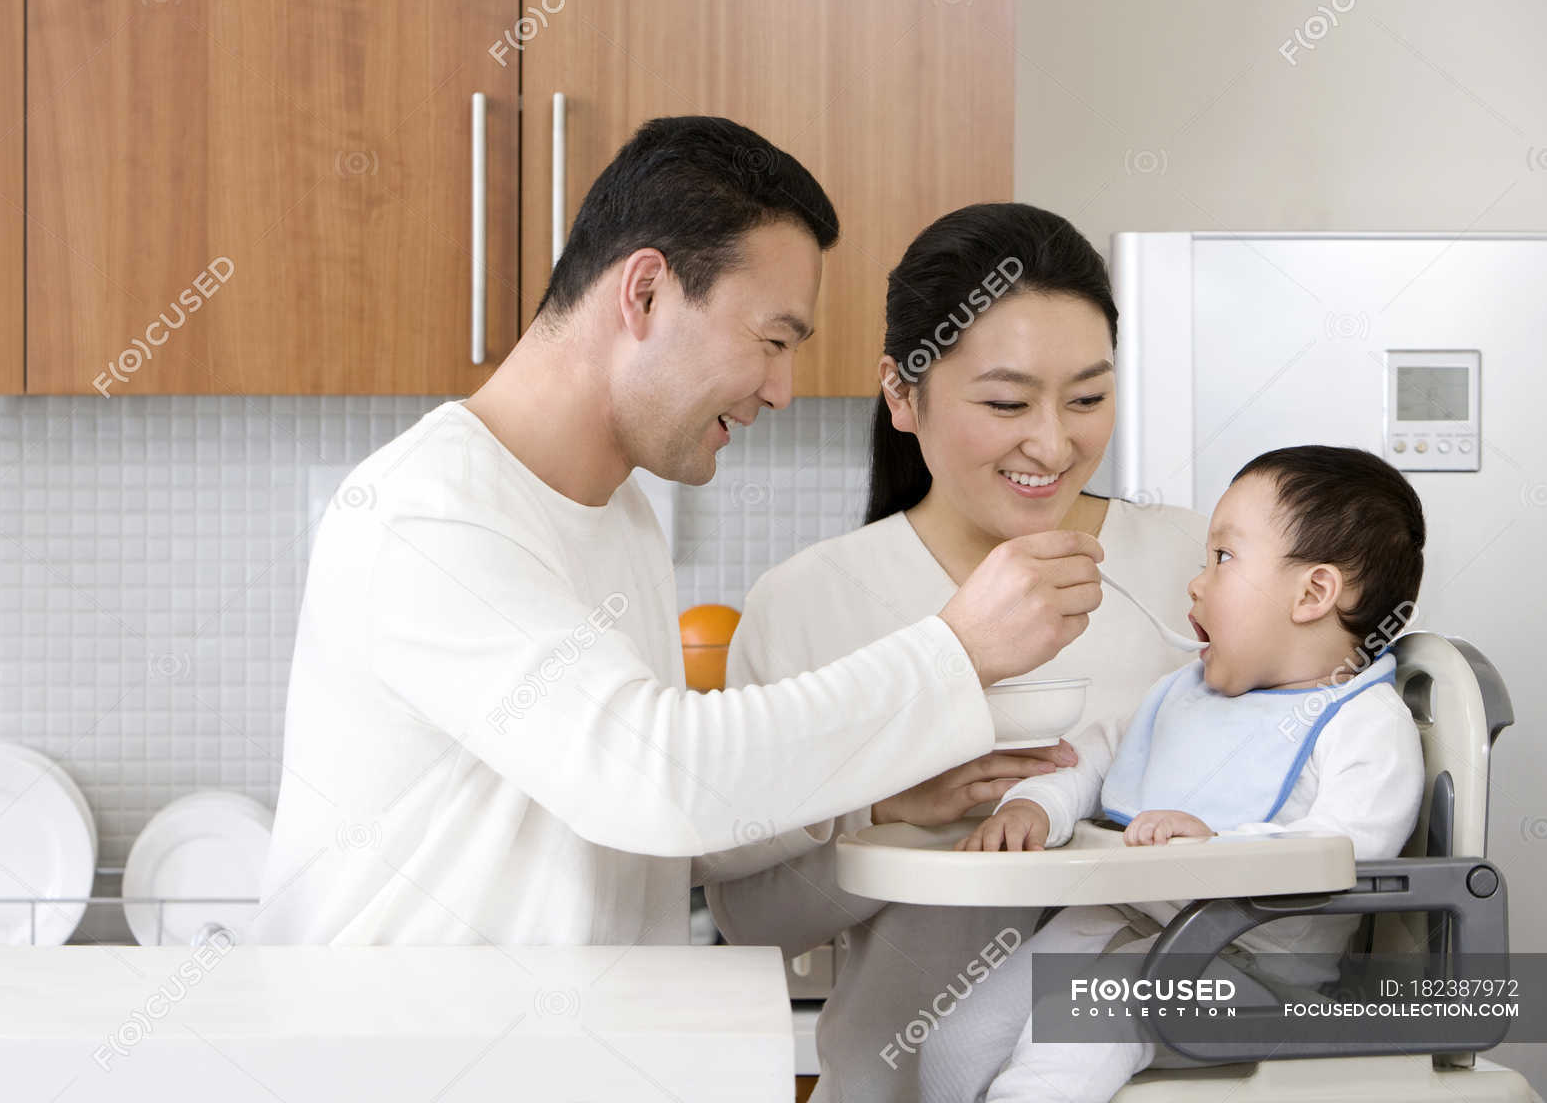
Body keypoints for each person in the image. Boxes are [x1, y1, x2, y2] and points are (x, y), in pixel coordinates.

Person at [250, 120, 1105, 946]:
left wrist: (874, 804)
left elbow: (641, 832)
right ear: (647, 291)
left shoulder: (616, 514)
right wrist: (957, 651)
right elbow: (652, 777)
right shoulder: (432, 512)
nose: (782, 390)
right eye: (773, 340)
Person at [707, 202, 1207, 1100]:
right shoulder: (812, 602)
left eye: (1088, 398)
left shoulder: (1199, 572)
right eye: (1007, 402)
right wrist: (895, 807)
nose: (1053, 443)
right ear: (904, 394)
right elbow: (756, 922)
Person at [919, 445, 1427, 1103]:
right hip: (1111, 922)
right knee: (953, 1041)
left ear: (1313, 593)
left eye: (1223, 557)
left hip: (1248, 965)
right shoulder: (1188, 693)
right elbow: (1099, 751)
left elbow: (1350, 846)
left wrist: (1217, 848)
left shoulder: (1363, 721)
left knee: (1076, 1035)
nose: (1196, 582)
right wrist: (1035, 807)